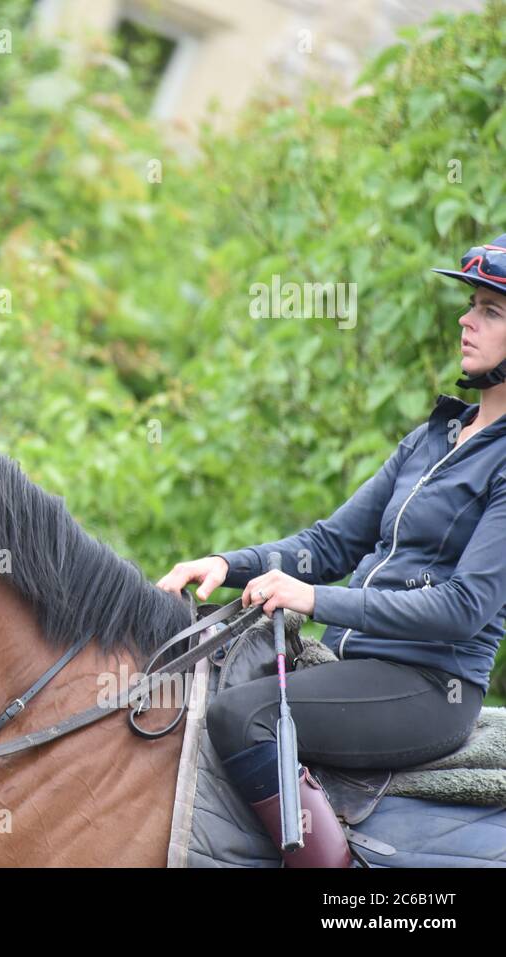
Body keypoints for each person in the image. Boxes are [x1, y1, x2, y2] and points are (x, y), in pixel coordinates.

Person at [157, 234, 506, 867]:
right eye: (472, 304)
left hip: (431, 687)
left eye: (491, 310)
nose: (466, 318)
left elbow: (464, 608)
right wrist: (227, 564)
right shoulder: (435, 436)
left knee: (243, 717)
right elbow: (331, 542)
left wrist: (314, 598)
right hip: (357, 665)